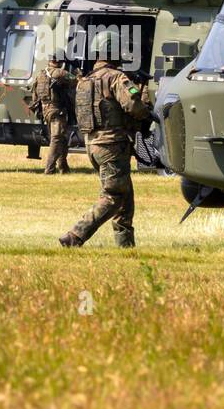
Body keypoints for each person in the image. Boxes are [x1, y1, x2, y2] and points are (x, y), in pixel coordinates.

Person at [59, 31, 151, 248]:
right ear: (116, 53)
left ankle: (125, 246)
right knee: (113, 196)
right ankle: (75, 235)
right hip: (111, 145)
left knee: (124, 197)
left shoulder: (85, 81)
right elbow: (133, 106)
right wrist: (146, 112)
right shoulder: (116, 78)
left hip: (93, 144)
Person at [31, 54, 74, 174]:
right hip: (57, 110)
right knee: (56, 138)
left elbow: (34, 95)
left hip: (46, 111)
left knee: (61, 138)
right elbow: (76, 81)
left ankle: (63, 167)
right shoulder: (60, 73)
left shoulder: (40, 74)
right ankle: (49, 169)